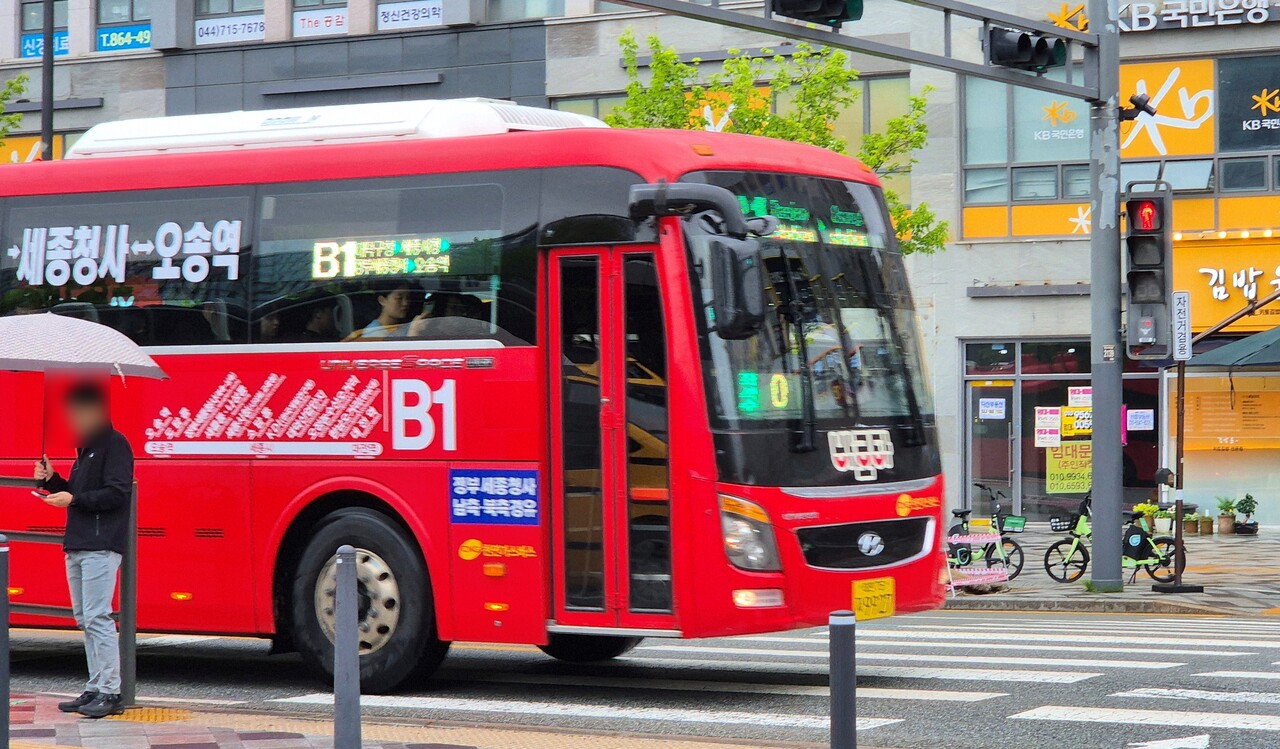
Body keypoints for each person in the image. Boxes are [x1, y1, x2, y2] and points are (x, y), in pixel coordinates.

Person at [34, 381, 135, 719]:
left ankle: (110, 691)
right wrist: (53, 480)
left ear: (94, 410)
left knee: (97, 617)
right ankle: (95, 686)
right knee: (85, 619)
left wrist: (73, 498)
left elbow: (117, 494)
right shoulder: (87, 448)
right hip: (79, 542)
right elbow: (77, 492)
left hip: (100, 545)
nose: (72, 420)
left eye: (76, 413)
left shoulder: (115, 445)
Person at [348, 281, 426, 340]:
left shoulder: (402, 327)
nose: (405, 303)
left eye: (407, 298)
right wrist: (413, 332)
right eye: (399, 298)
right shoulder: (373, 333)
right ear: (382, 300)